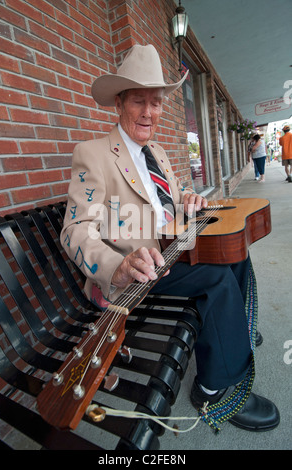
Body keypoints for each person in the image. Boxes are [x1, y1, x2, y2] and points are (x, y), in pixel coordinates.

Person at [61, 44, 279, 432]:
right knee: (217, 280)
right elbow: (75, 231)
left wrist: (188, 199)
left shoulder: (157, 151)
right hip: (140, 272)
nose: (149, 112)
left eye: (156, 103)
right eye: (139, 101)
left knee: (235, 253)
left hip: (175, 247)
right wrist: (118, 266)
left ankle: (236, 330)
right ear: (119, 103)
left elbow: (171, 199)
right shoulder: (93, 154)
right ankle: (215, 388)